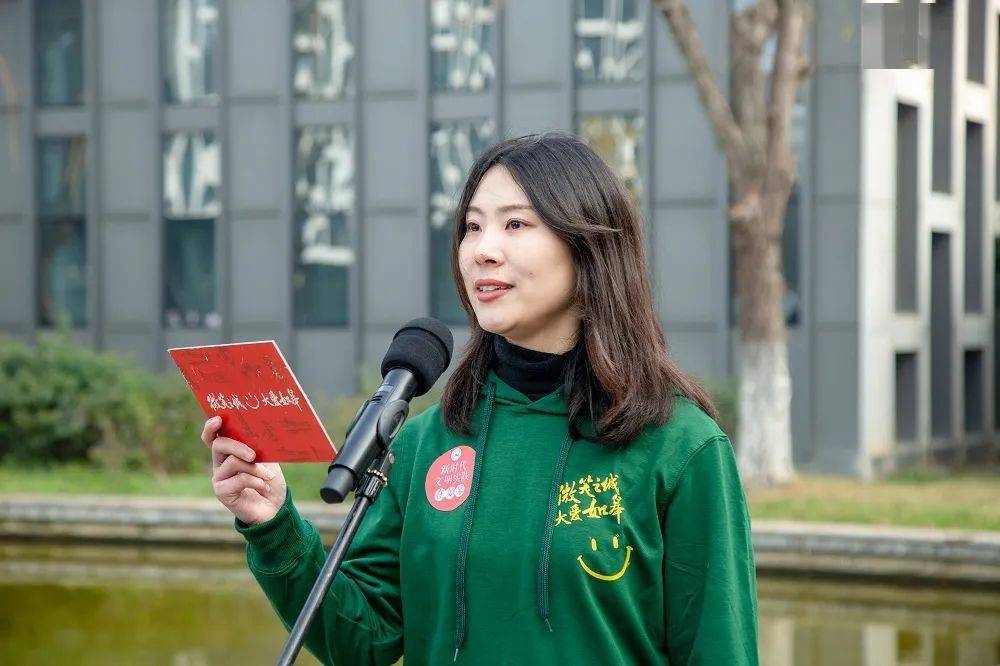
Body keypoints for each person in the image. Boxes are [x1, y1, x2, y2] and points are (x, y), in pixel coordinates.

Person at [202, 131, 759, 665]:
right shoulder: (422, 444)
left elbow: (719, 650)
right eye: (472, 227)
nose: (482, 251)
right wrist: (272, 522)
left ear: (588, 247)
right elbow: (362, 641)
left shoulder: (680, 447)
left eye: (516, 224)